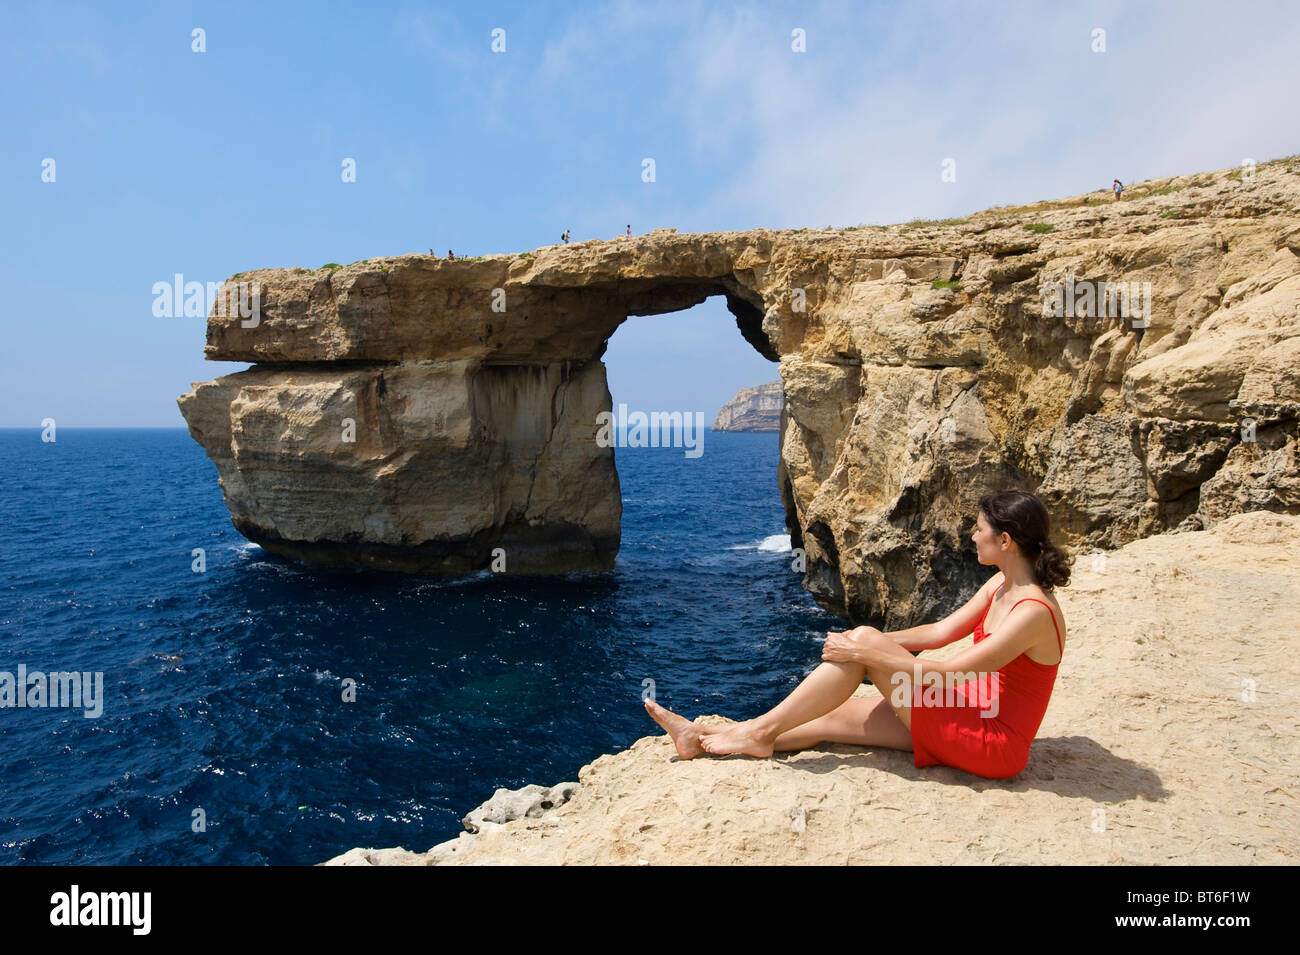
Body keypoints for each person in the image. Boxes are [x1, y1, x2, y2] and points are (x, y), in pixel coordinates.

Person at [644, 488, 1073, 779]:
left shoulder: (1032, 611)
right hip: (962, 709)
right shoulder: (999, 584)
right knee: (824, 718)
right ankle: (702, 738)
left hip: (992, 742)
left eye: (980, 530)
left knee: (863, 645)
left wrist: (868, 655)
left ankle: (754, 735)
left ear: (1005, 540)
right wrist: (866, 642)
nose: (973, 536)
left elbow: (955, 671)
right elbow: (940, 632)